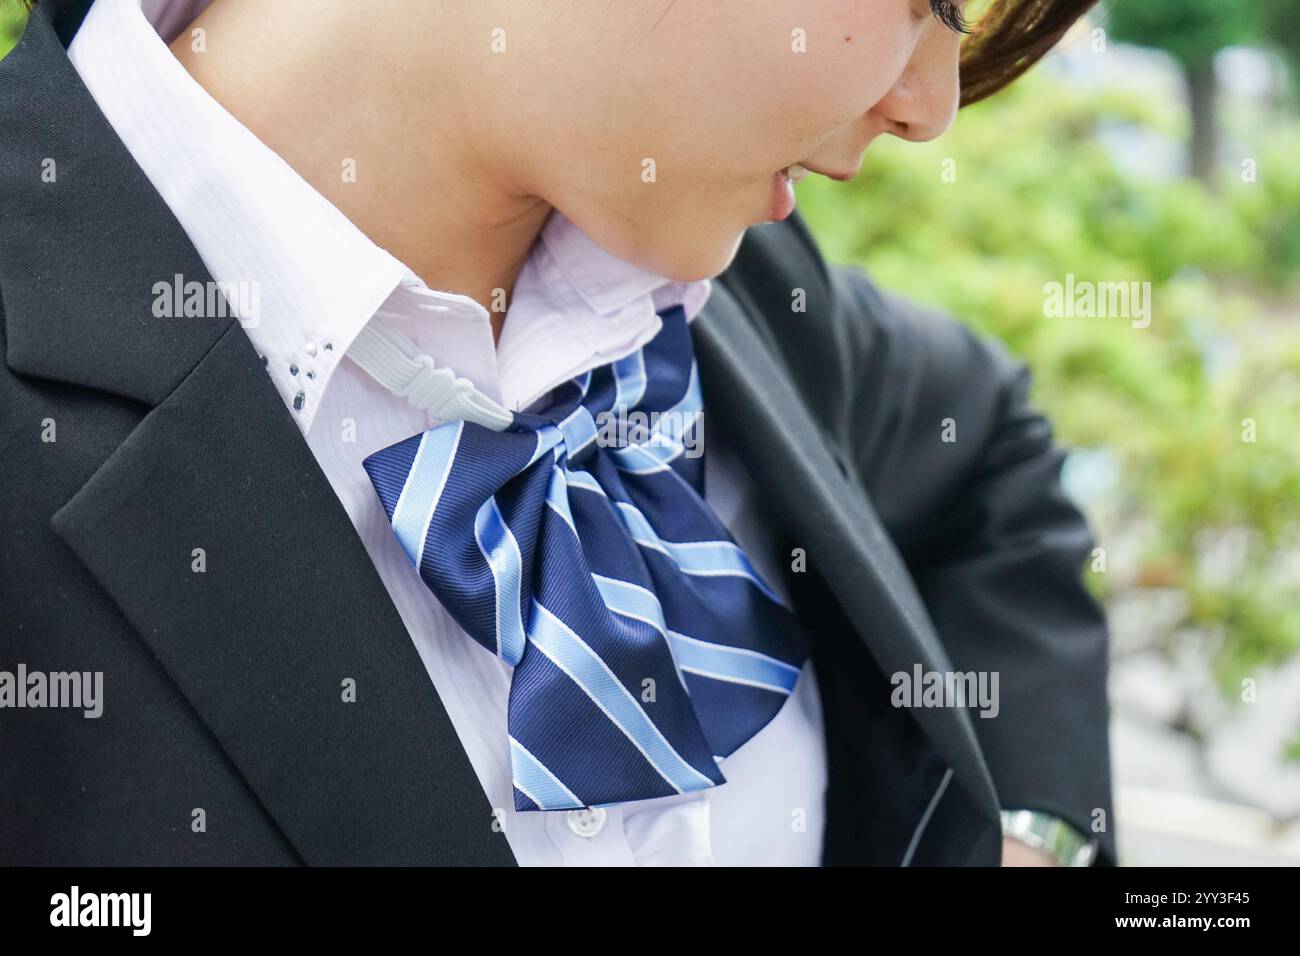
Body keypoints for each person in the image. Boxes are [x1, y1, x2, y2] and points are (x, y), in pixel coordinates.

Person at [0, 0, 1113, 866]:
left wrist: (1033, 831)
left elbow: (991, 471)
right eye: (935, 2)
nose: (931, 105)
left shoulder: (734, 294)